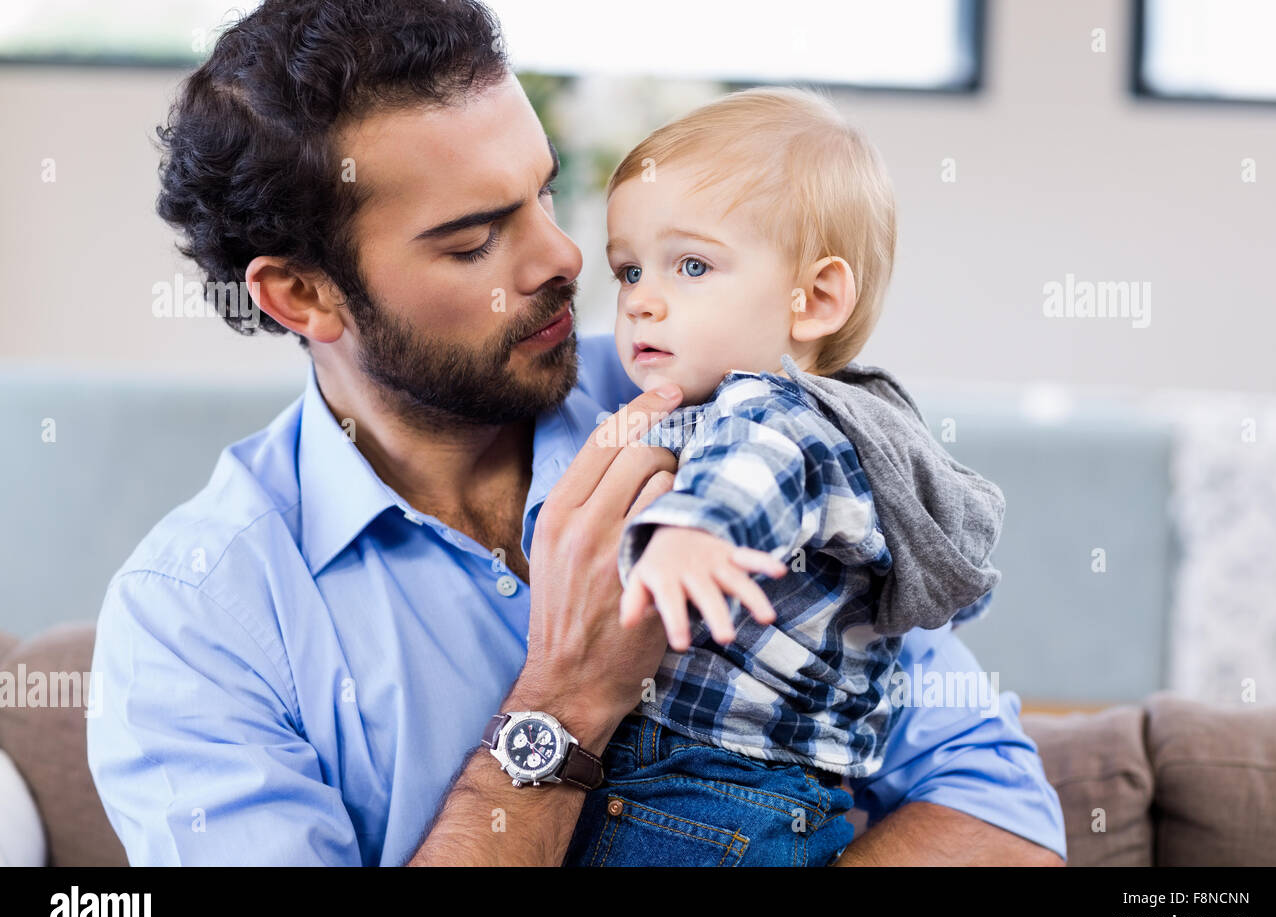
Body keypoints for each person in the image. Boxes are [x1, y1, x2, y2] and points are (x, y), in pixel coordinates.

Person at [87, 0, 1065, 866]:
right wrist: (563, 701)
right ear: (301, 293)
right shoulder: (196, 625)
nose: (562, 255)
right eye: (474, 239)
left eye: (544, 191)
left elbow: (1000, 813)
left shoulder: (719, 402)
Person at [563, 87, 1010, 866]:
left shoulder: (771, 409)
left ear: (816, 300)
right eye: (629, 270)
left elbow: (754, 473)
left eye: (692, 265)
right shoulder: (832, 422)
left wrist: (691, 531)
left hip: (700, 783)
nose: (641, 302)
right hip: (762, 793)